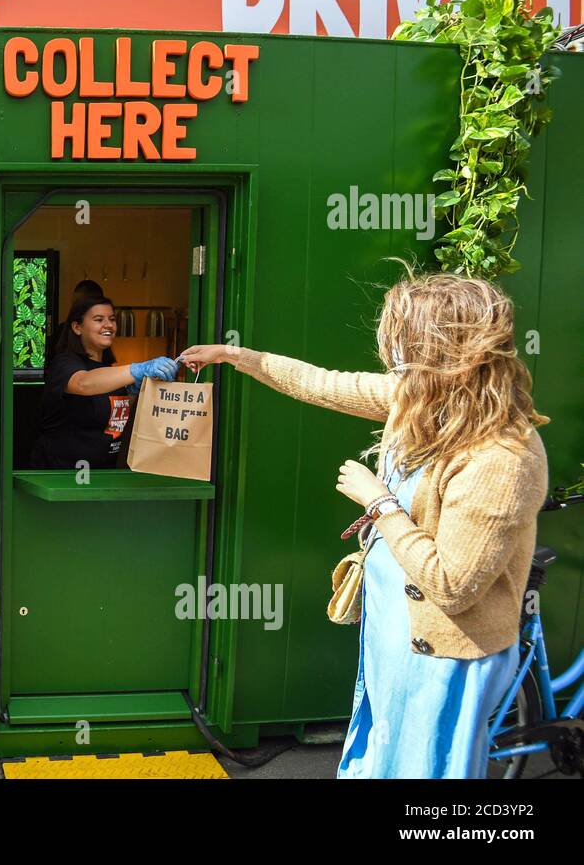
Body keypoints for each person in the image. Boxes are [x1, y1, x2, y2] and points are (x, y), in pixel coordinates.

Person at [179, 272, 548, 778]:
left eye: (402, 348)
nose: (391, 361)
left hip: (441, 651)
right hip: (392, 630)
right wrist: (234, 356)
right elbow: (321, 384)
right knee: (381, 755)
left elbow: (453, 586)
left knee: (421, 771)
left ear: (441, 355)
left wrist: (380, 503)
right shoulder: (422, 401)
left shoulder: (502, 458)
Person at [32, 295, 178, 470]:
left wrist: (134, 393)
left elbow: (112, 415)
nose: (108, 325)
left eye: (112, 319)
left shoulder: (110, 370)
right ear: (77, 327)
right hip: (64, 473)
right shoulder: (64, 364)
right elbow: (83, 383)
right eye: (98, 319)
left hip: (104, 470)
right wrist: (136, 369)